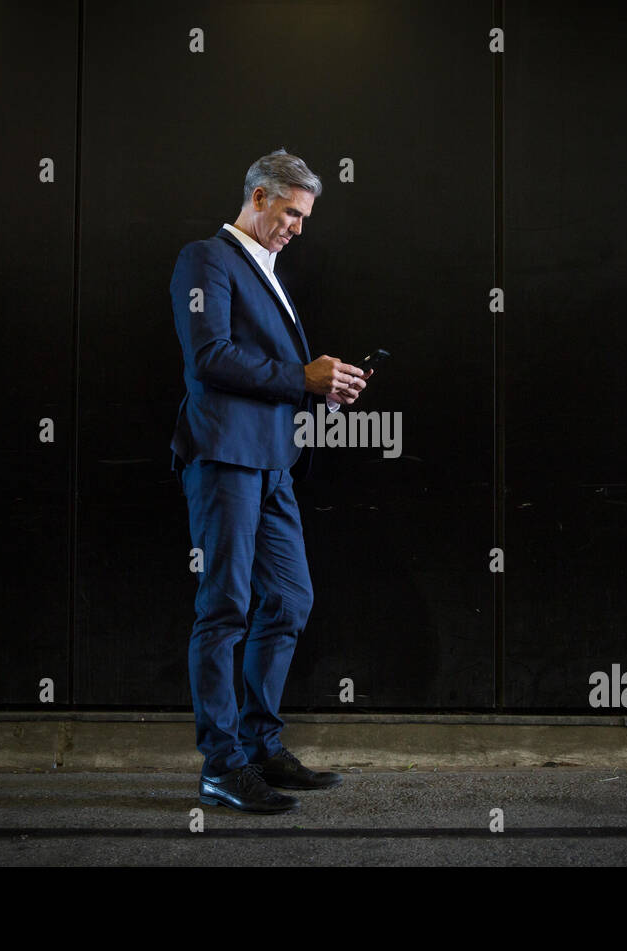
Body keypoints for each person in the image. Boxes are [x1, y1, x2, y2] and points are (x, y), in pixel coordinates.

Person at [169, 149, 371, 813]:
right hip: (226, 458)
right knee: (224, 607)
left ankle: (260, 746)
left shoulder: (267, 269)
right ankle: (221, 766)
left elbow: (271, 367)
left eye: (304, 216)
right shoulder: (205, 258)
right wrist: (301, 377)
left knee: (288, 601)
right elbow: (210, 356)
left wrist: (324, 384)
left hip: (272, 464)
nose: (298, 227)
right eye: (291, 213)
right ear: (258, 196)